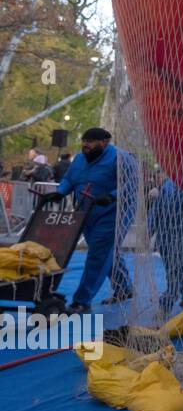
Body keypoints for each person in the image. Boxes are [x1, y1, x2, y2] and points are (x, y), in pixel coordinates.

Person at [33, 128, 137, 314]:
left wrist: (113, 196)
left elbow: (132, 184)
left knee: (98, 253)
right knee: (106, 252)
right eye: (84, 140)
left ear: (105, 142)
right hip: (86, 212)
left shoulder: (121, 158)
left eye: (91, 141)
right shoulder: (80, 159)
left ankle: (82, 301)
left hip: (113, 213)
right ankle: (124, 288)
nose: (85, 144)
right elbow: (69, 179)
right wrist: (59, 192)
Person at [148, 178, 183, 316]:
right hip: (164, 237)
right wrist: (149, 230)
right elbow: (156, 210)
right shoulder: (166, 184)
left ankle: (166, 304)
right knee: (174, 268)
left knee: (174, 271)